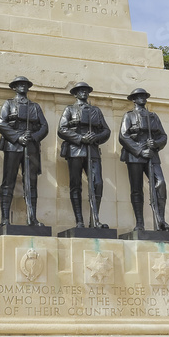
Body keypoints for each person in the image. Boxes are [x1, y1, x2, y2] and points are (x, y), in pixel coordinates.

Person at [118, 87, 169, 232]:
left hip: (152, 154)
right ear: (133, 99)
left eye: (144, 95)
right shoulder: (129, 116)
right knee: (136, 189)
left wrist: (155, 144)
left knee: (160, 183)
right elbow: (123, 136)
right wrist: (139, 150)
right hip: (135, 155)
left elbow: (163, 136)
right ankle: (139, 223)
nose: (142, 98)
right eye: (139, 96)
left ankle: (161, 221)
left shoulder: (153, 116)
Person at [0, 76, 49, 226]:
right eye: (19, 85)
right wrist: (18, 138)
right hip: (13, 145)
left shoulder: (35, 107)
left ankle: (32, 218)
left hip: (31, 146)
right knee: (8, 181)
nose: (22, 87)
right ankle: (5, 219)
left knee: (31, 182)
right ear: (14, 87)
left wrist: (33, 137)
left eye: (25, 85)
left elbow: (44, 126)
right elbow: (1, 123)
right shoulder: (9, 104)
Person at [58, 82, 110, 228]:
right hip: (75, 150)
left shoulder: (96, 111)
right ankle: (79, 221)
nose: (83, 93)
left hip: (92, 151)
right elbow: (62, 129)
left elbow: (106, 131)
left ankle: (95, 220)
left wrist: (96, 137)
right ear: (75, 94)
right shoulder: (69, 109)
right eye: (80, 91)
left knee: (97, 183)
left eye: (86, 91)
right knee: (76, 185)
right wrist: (80, 138)